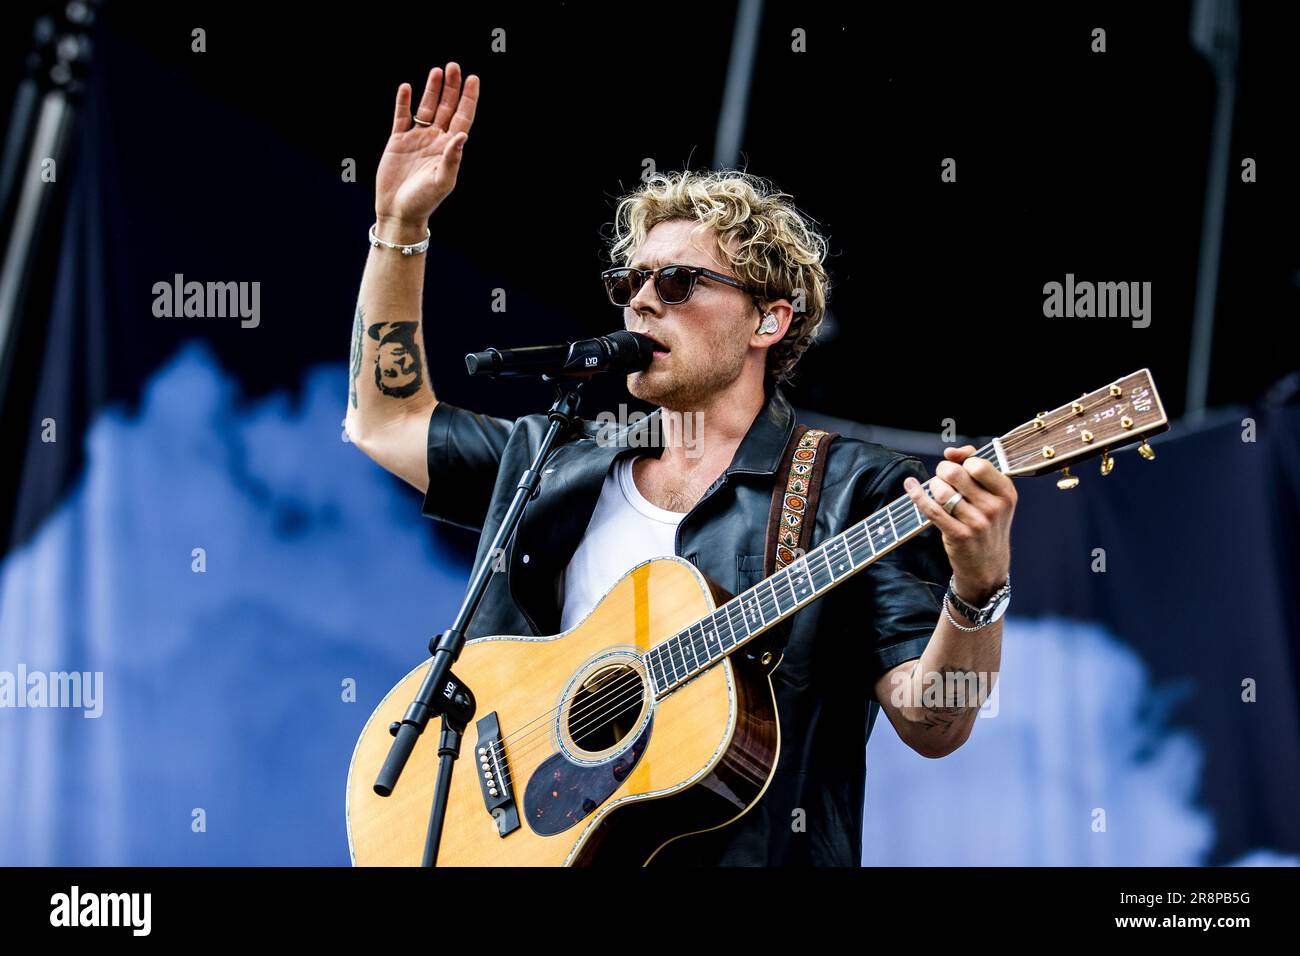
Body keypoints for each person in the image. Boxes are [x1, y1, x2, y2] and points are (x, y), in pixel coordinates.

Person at [345, 63, 1018, 866]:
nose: (640, 301)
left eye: (677, 281)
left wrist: (979, 590)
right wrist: (398, 223)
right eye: (630, 282)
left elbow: (934, 722)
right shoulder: (557, 460)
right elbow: (384, 420)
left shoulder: (853, 491)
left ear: (769, 318)